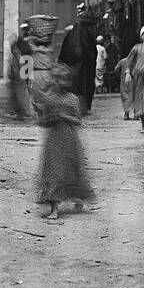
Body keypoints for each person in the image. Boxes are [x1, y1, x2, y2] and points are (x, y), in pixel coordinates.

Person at [32, 64, 94, 220]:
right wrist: (42, 114)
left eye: (65, 79)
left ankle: (76, 197)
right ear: (54, 80)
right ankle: (54, 209)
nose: (62, 82)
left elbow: (78, 121)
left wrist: (63, 116)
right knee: (53, 173)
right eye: (59, 79)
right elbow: (44, 122)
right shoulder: (49, 98)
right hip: (53, 140)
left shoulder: (72, 99)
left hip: (69, 139)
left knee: (70, 171)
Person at [58, 6, 98, 115]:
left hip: (82, 65)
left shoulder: (79, 30)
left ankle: (80, 107)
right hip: (80, 65)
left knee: (82, 86)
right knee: (81, 86)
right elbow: (79, 50)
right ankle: (80, 108)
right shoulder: (82, 31)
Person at [7, 23, 34, 120]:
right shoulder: (28, 41)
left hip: (23, 65)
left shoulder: (19, 43)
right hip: (27, 63)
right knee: (26, 88)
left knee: (22, 88)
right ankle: (26, 111)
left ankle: (24, 111)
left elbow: (17, 59)